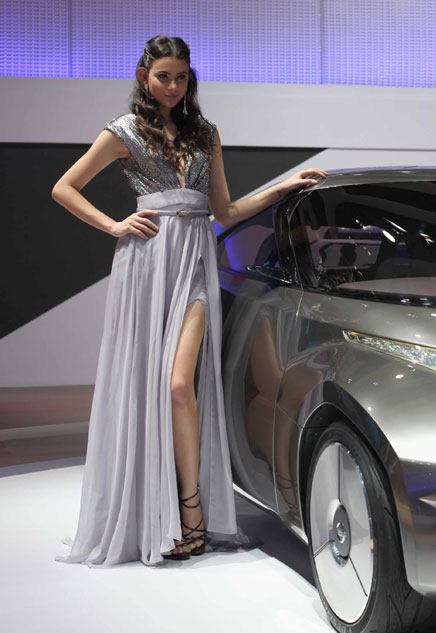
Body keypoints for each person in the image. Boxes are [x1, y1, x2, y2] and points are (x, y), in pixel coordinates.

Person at [51, 35, 327, 566]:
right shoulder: (123, 131)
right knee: (146, 383)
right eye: (163, 77)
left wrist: (284, 186)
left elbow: (224, 210)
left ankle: (193, 515)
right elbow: (65, 187)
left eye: (180, 77)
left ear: (189, 78)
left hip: (195, 262)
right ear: (143, 76)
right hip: (147, 266)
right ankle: (163, 513)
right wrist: (112, 223)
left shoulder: (206, 133)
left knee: (181, 384)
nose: (172, 86)